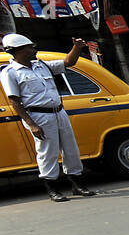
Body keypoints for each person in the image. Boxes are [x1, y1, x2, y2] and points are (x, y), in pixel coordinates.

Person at [1, 33, 96, 202]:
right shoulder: (10, 73)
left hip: (59, 112)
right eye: (29, 47)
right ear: (18, 51)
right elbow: (15, 101)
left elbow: (68, 62)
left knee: (71, 149)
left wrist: (77, 48)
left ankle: (77, 185)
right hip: (38, 116)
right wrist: (32, 124)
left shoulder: (41, 65)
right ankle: (53, 189)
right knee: (47, 152)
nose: (33, 49)